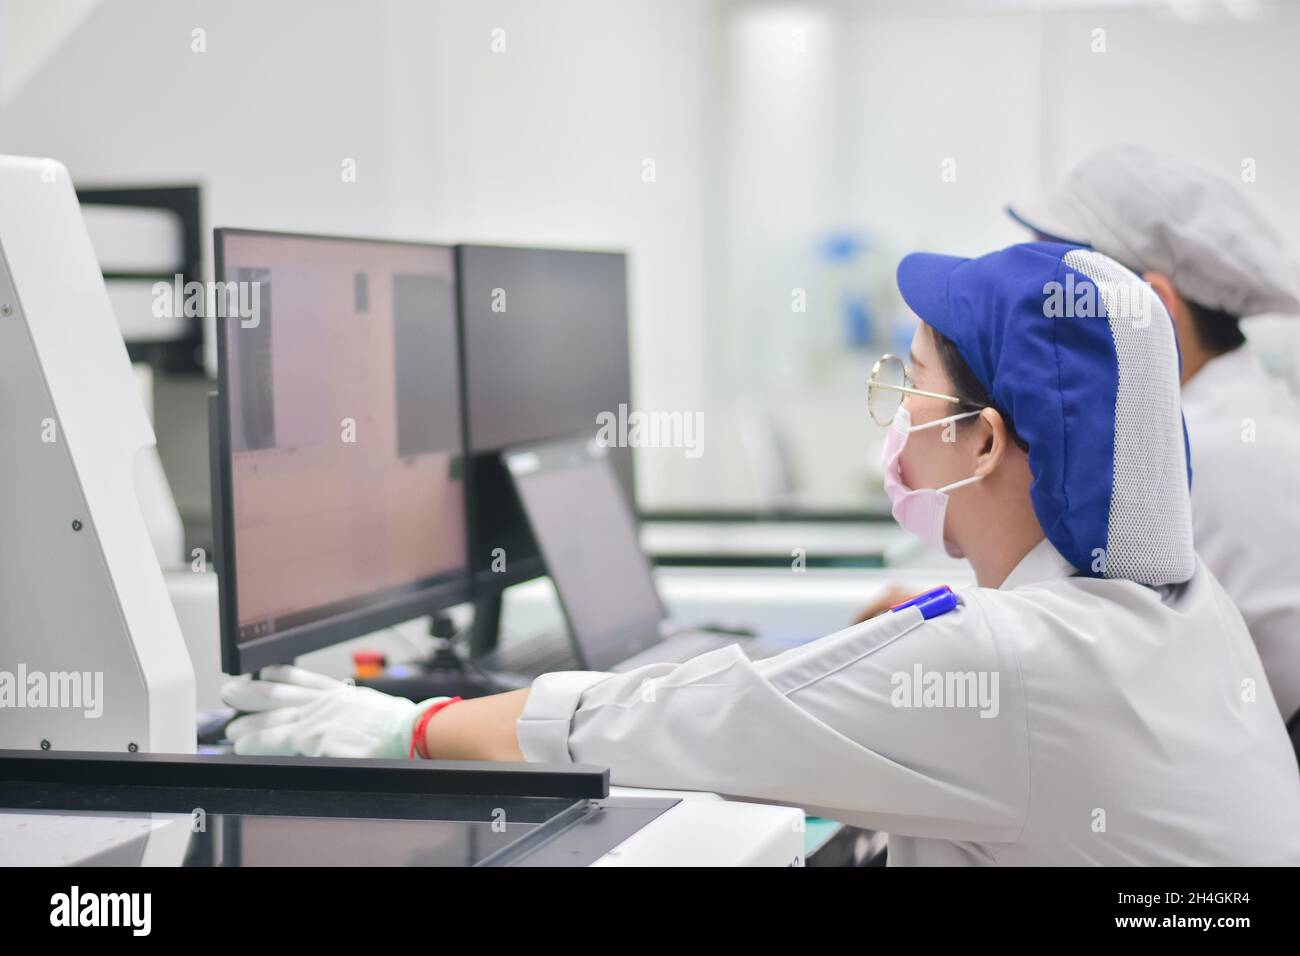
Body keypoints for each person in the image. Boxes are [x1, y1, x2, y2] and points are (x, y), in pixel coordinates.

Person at [223, 242, 1300, 865]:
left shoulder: (1007, 659)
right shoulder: (1174, 601)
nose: (899, 404)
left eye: (916, 378)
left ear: (982, 439)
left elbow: (677, 720)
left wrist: (407, 725)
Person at [1006, 144, 1300, 744]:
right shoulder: (1242, 409)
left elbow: (1069, 683)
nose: (1035, 317)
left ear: (1156, 309)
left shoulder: (1196, 454)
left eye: (1058, 292)